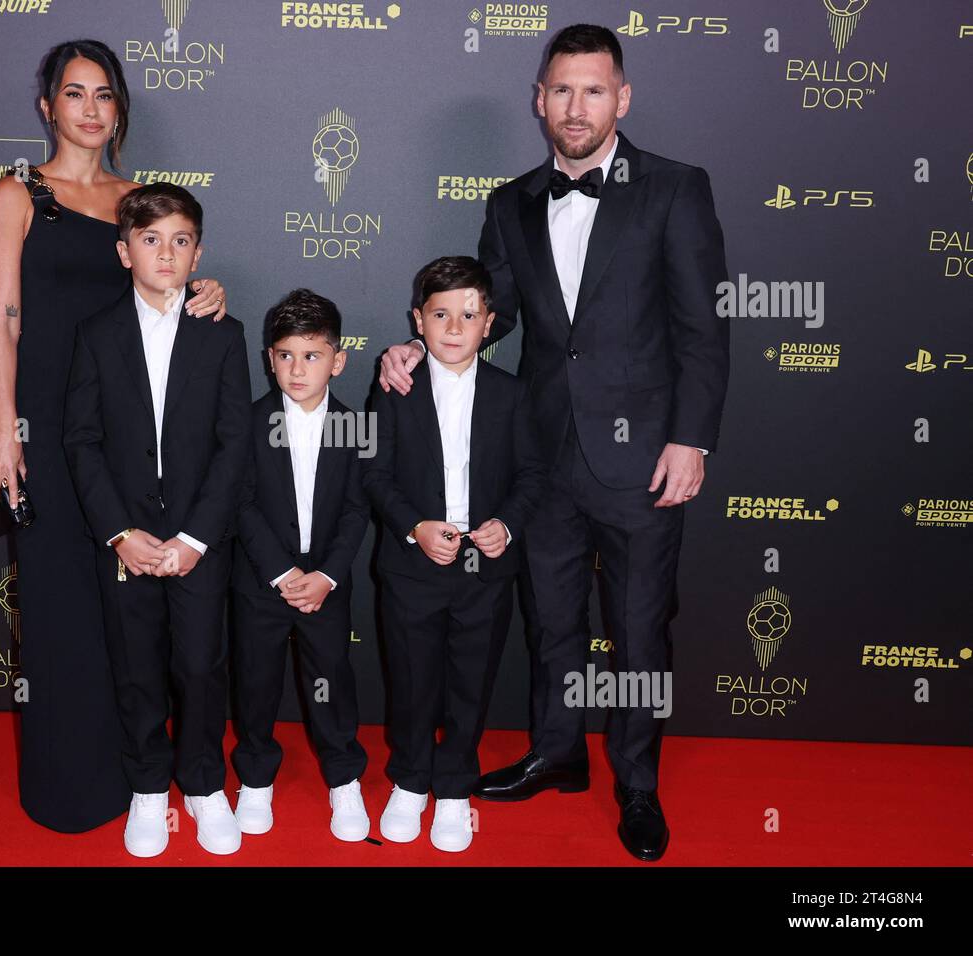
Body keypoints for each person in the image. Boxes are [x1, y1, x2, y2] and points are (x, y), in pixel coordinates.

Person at [377, 24, 729, 861]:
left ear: (623, 98)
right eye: (561, 90)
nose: (576, 107)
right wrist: (415, 349)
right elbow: (479, 316)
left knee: (640, 633)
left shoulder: (677, 189)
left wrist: (692, 439)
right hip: (543, 459)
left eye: (594, 90)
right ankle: (559, 751)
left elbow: (704, 331)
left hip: (644, 456)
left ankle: (637, 787)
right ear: (539, 100)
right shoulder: (511, 202)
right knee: (553, 622)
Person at [0, 39, 229, 834]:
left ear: (119, 109)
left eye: (104, 95)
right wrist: (3, 433)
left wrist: (204, 289)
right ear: (47, 106)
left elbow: (163, 272)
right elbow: (2, 319)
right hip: (44, 434)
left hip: (124, 437)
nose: (90, 109)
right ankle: (69, 786)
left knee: (129, 614)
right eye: (74, 94)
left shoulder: (137, 203)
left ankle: (142, 781)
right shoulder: (17, 195)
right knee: (60, 611)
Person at [62, 182, 252, 858]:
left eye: (179, 241)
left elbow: (236, 443)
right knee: (136, 665)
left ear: (198, 251)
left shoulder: (224, 335)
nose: (165, 253)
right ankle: (147, 784)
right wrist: (118, 530)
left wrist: (197, 538)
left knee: (200, 664)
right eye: (149, 240)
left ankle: (203, 784)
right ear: (124, 252)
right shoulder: (96, 335)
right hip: (127, 543)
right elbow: (80, 440)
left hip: (201, 540)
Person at [364, 257, 544, 852]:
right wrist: (413, 526)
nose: (453, 326)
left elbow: (531, 474)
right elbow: (375, 473)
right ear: (418, 320)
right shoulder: (394, 386)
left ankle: (454, 786)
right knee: (413, 680)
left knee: (472, 678)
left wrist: (508, 527)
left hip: (485, 567)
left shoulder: (512, 394)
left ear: (489, 323)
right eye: (440, 314)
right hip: (412, 565)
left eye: (468, 315)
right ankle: (411, 781)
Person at [230, 289, 371, 843]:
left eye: (312, 355)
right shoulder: (246, 422)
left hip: (326, 585)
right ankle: (256, 778)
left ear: (337, 360)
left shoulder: (354, 425)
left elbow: (359, 509)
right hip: (261, 583)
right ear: (269, 358)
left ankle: (344, 779)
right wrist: (281, 573)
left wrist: (328, 575)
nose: (297, 368)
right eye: (285, 354)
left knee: (331, 680)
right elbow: (239, 503)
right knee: (256, 682)